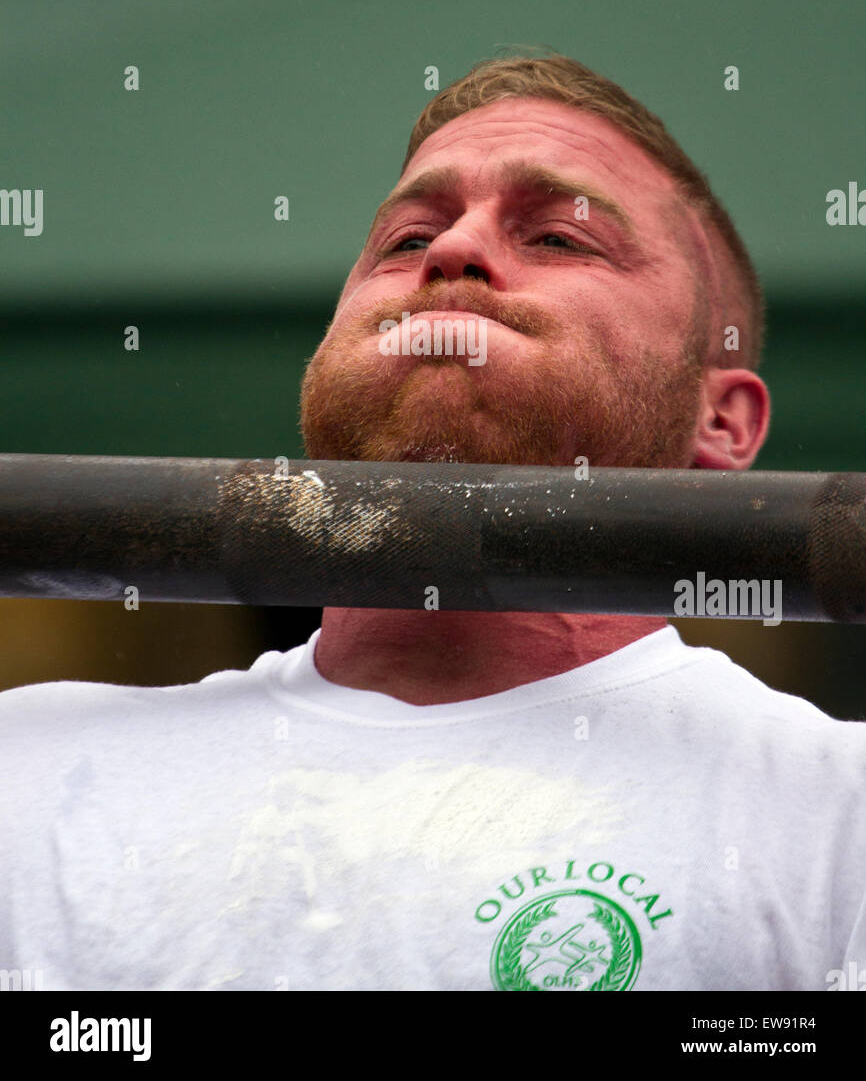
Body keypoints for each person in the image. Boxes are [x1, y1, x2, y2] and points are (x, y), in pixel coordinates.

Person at [1, 51, 863, 992]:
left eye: (560, 240)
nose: (454, 251)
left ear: (722, 420)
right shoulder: (30, 769)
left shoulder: (833, 813)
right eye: (408, 239)